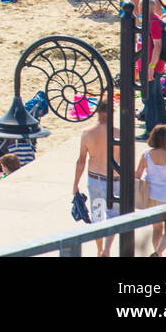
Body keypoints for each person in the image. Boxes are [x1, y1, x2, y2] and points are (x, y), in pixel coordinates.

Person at [72, 99, 121, 256]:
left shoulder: (87, 133)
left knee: (97, 216)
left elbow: (81, 161)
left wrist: (75, 184)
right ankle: (106, 249)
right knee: (113, 216)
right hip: (111, 179)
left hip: (93, 178)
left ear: (98, 112)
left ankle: (99, 250)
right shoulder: (118, 134)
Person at [136, 124, 166, 256]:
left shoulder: (146, 155)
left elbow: (137, 176)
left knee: (157, 229)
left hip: (152, 197)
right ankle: (158, 252)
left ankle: (158, 253)